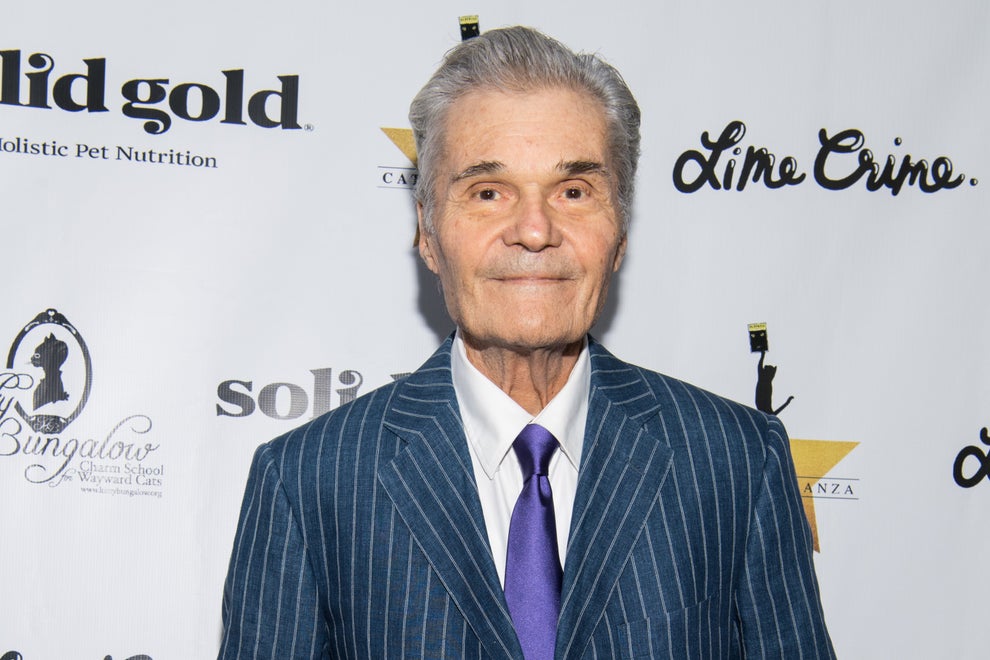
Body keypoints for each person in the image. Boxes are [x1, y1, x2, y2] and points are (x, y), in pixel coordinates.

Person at [218, 26, 835, 659]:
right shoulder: (310, 480)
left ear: (619, 232)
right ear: (428, 232)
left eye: (574, 192)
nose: (535, 230)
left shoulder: (736, 462)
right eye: (488, 193)